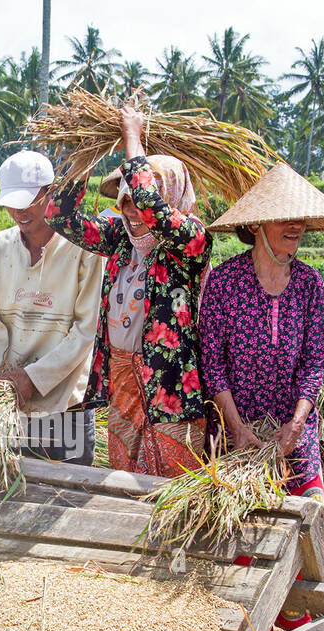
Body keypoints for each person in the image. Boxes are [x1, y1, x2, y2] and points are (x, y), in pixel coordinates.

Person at [46, 106, 213, 478]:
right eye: (125, 202)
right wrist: (86, 157)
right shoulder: (120, 239)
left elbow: (153, 209)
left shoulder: (191, 242)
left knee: (171, 488)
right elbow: (59, 215)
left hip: (170, 385)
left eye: (138, 201)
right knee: (123, 481)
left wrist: (132, 136)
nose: (133, 212)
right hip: (122, 377)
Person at [200, 161, 324, 499]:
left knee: (307, 519)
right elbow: (211, 364)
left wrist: (296, 425)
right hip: (236, 436)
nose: (296, 225)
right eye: (284, 217)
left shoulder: (309, 283)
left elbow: (315, 361)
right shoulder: (224, 282)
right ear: (257, 225)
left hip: (291, 433)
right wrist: (237, 429)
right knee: (241, 538)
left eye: (300, 218)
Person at [0, 150, 104, 466]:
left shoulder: (84, 250)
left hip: (65, 401)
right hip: (9, 399)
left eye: (28, 200)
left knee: (66, 500)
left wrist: (33, 377)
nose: (18, 211)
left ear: (50, 192)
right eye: (11, 203)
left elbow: (87, 330)